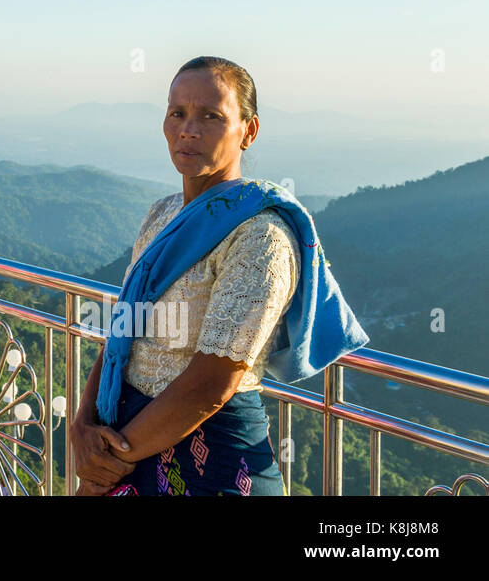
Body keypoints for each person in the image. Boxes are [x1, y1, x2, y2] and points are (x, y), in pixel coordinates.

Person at [71, 56, 368, 496]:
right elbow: (124, 333)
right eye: (177, 113)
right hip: (127, 438)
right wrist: (82, 424)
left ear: (248, 131)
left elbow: (212, 384)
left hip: (213, 461)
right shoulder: (162, 214)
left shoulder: (261, 237)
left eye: (211, 116)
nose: (188, 129)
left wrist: (111, 459)